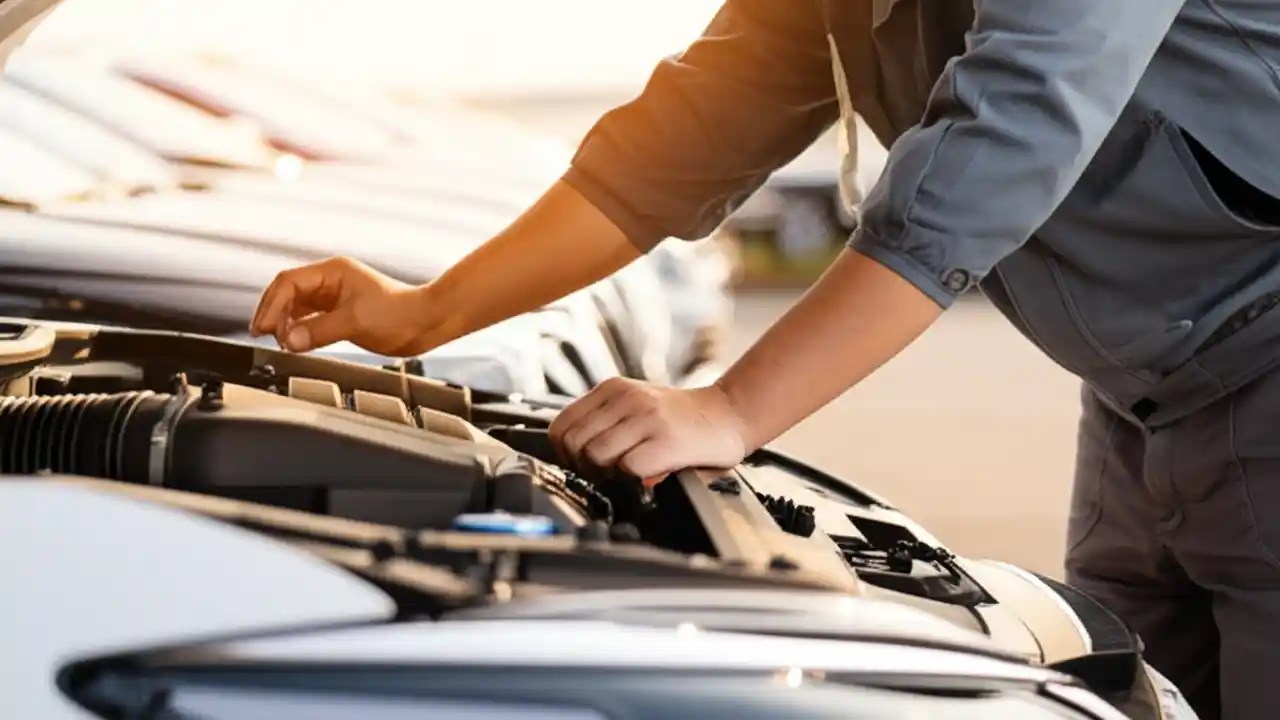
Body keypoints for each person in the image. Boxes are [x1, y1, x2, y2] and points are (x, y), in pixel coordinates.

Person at [251, 2, 1280, 717]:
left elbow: (1010, 127)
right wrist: (426, 313)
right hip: (1144, 396)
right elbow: (690, 131)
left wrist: (734, 407)